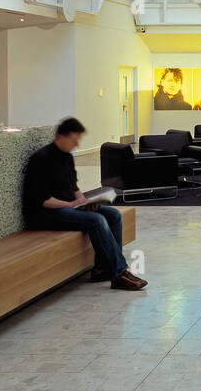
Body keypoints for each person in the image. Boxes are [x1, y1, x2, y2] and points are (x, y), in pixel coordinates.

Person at [22, 117, 147, 291]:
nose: (76, 145)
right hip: (45, 214)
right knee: (96, 220)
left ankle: (102, 268)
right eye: (74, 140)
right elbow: (43, 200)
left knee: (114, 215)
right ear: (61, 137)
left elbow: (73, 187)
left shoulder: (66, 157)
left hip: (67, 207)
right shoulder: (41, 159)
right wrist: (71, 205)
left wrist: (84, 201)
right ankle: (118, 273)